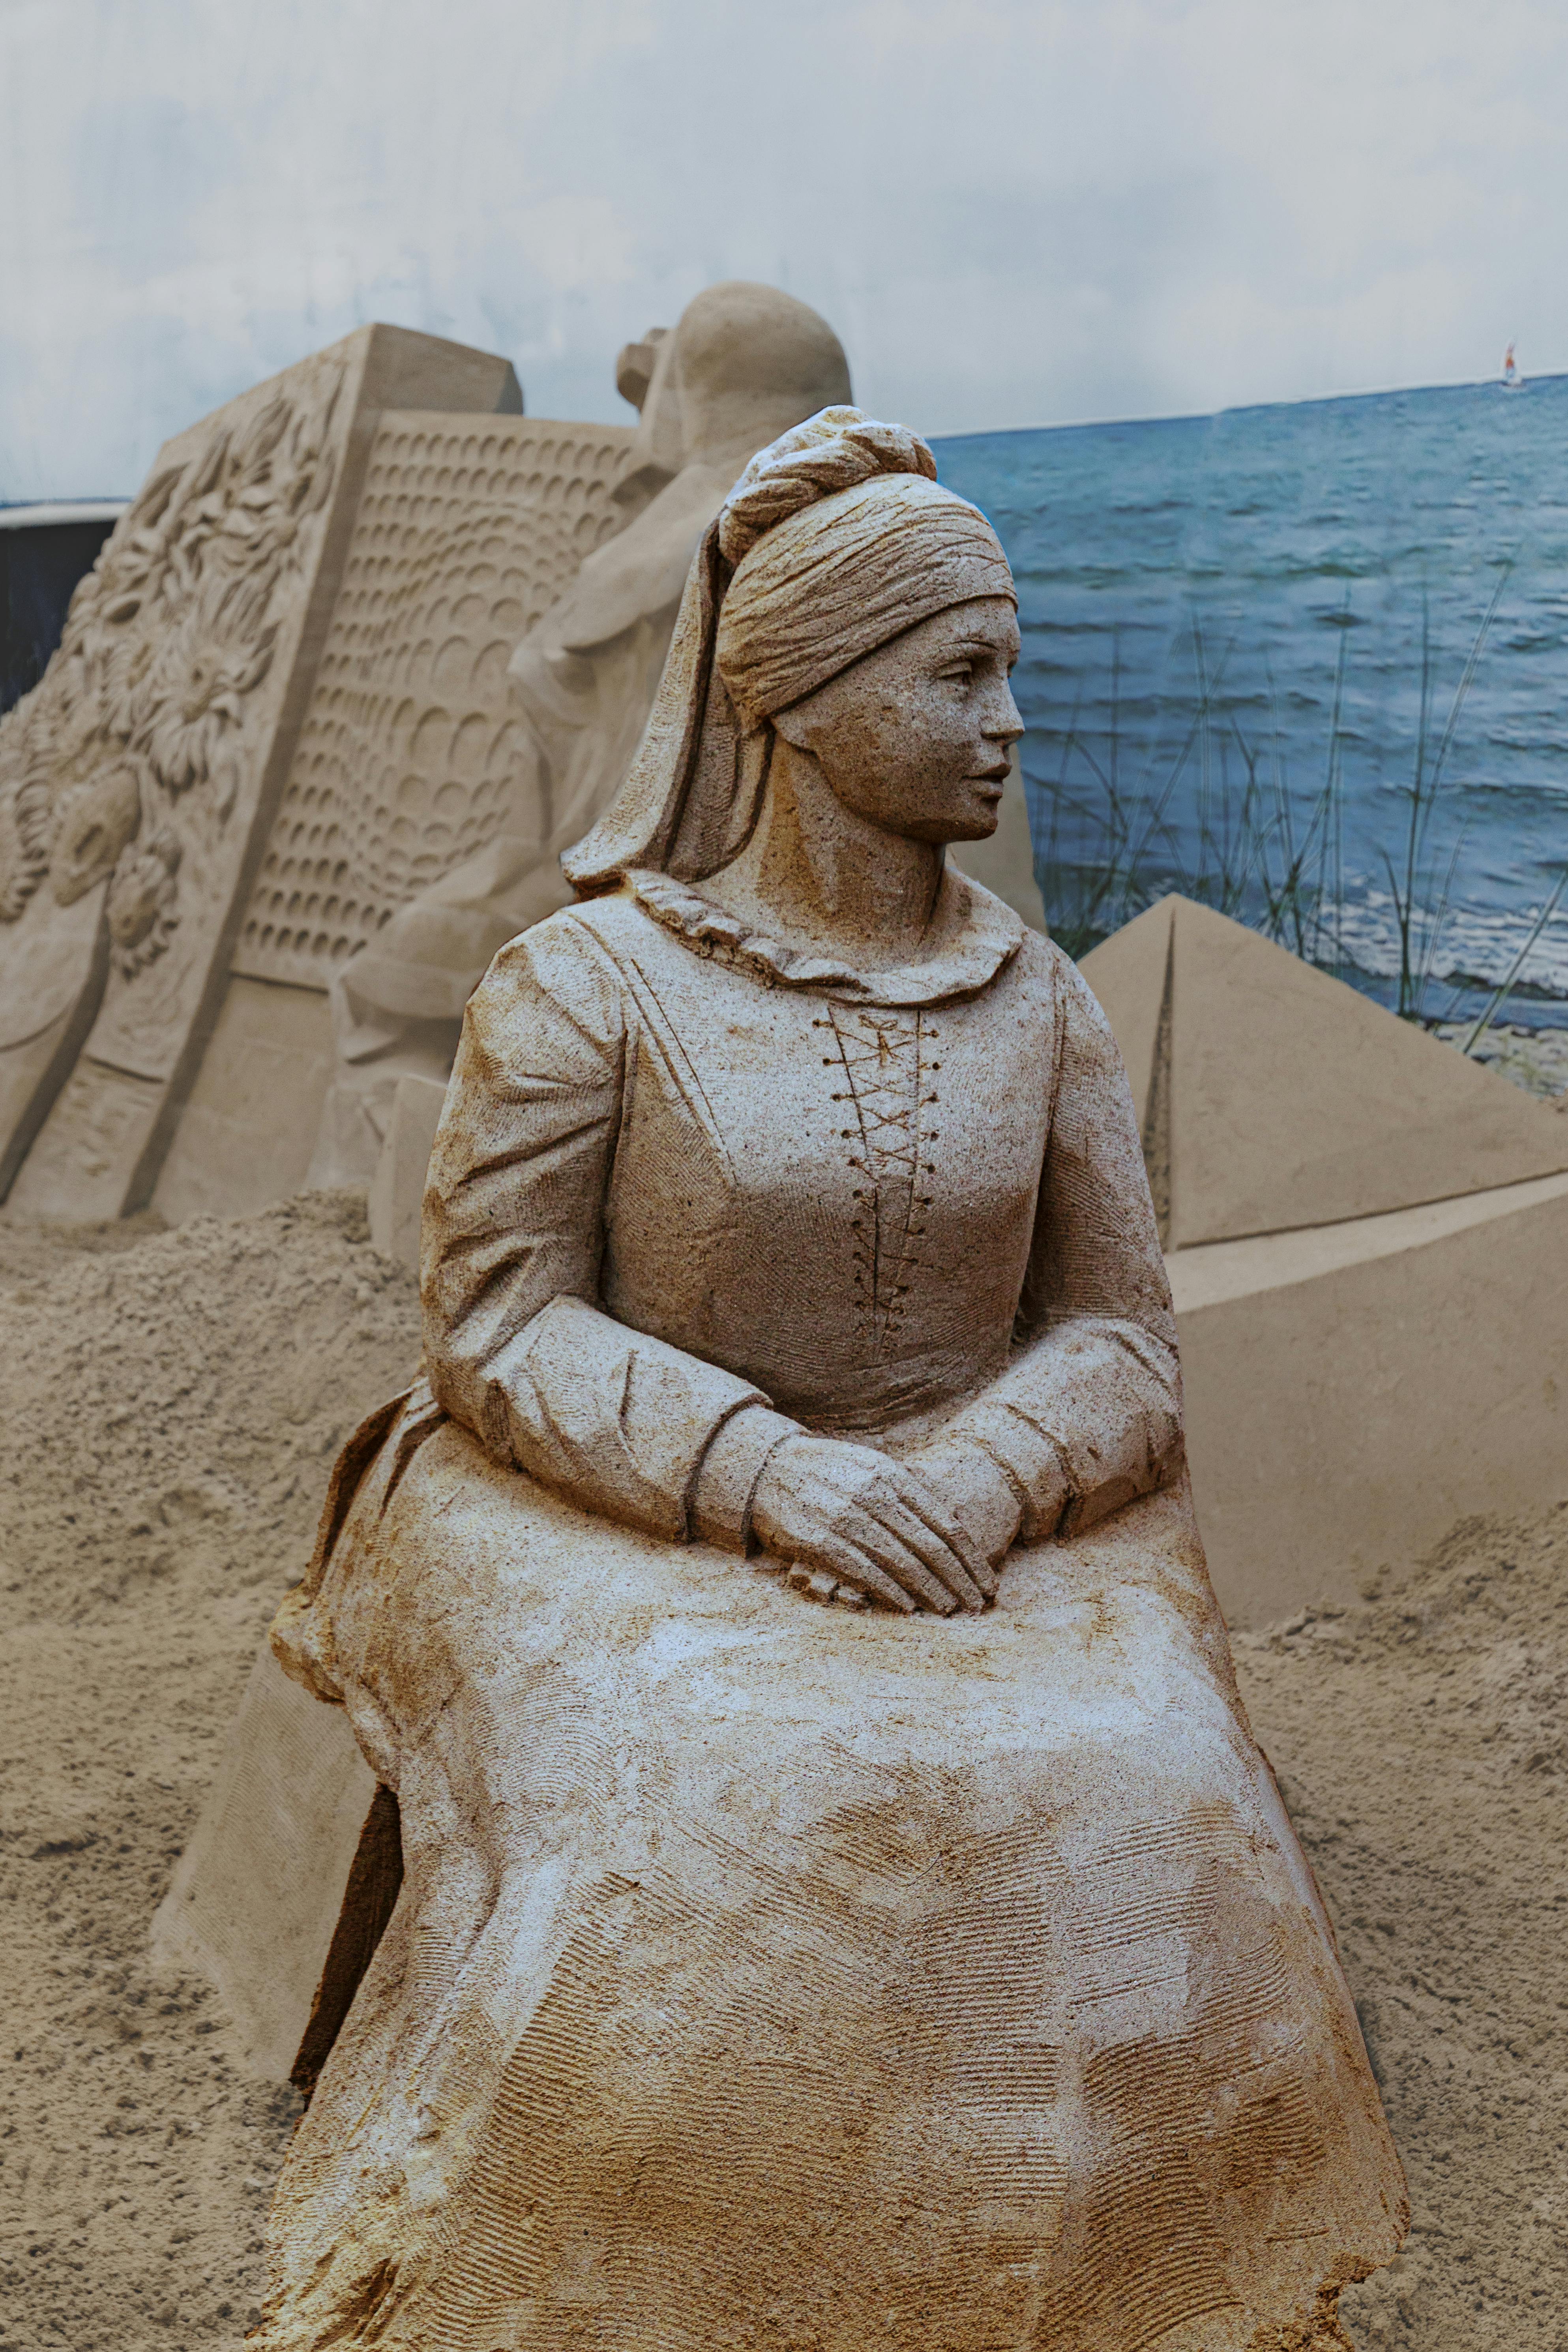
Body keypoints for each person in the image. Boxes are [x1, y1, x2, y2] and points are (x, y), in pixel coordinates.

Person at [263, 410, 1405, 2349]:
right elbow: (495, 1323)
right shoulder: (588, 986)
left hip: (985, 1493)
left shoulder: (1033, 994)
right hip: (612, 1496)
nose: (1008, 719)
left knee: (1126, 1764)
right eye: (958, 671)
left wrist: (976, 1476)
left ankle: (1125, 2256)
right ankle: (614, 2270)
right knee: (713, 1771)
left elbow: (1122, 1333)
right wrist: (758, 1473)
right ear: (800, 691)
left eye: (1009, 667)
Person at [306, 283, 852, 1186]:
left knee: (379, 996)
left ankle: (403, 1201)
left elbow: (587, 821)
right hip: (754, 900)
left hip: (634, 897)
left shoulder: (660, 550)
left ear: (689, 390)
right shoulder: (871, 515)